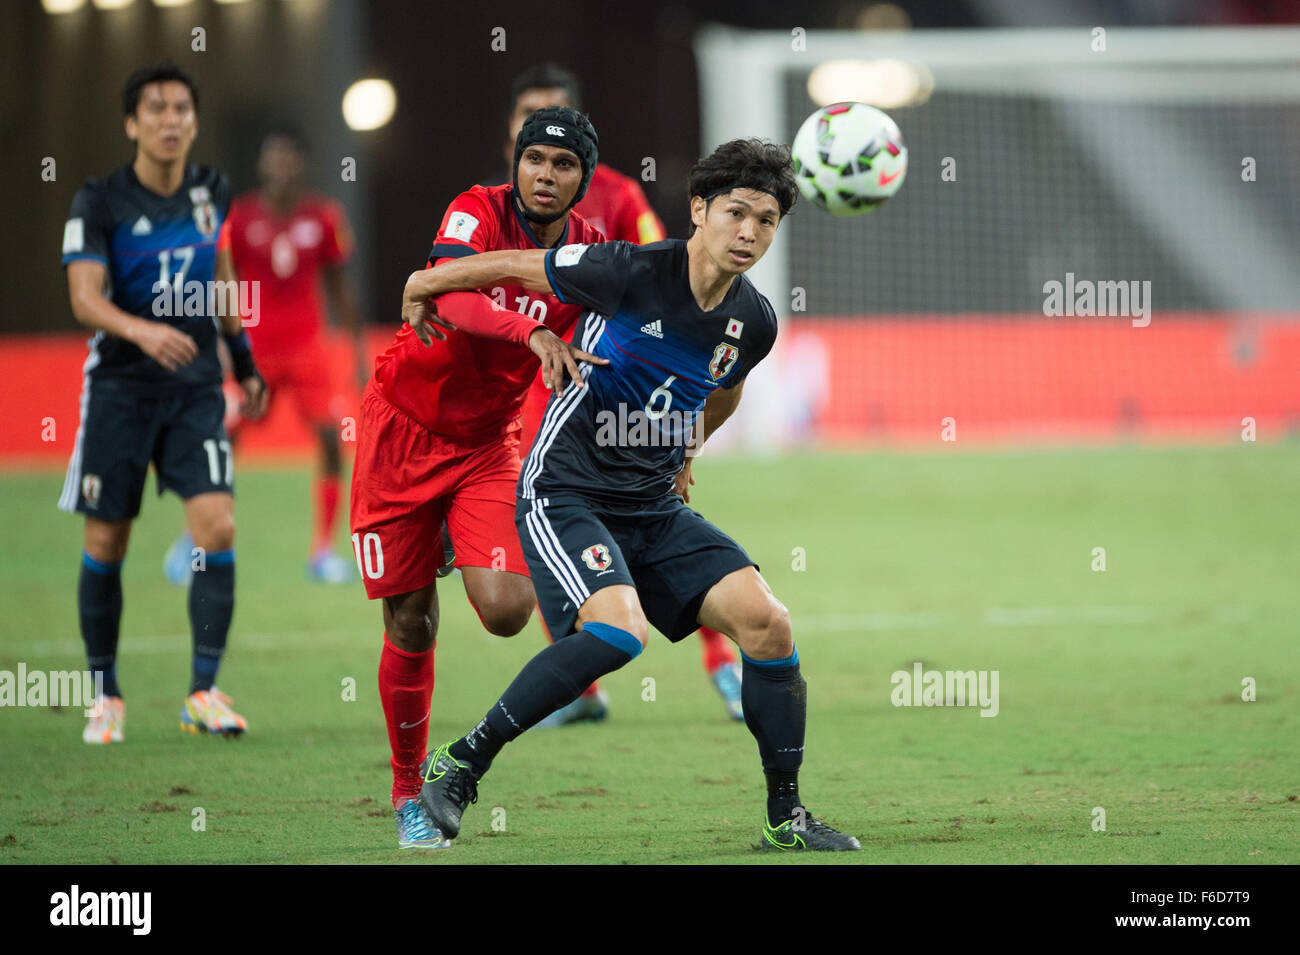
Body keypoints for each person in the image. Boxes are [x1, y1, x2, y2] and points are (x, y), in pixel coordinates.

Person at [403, 139, 860, 851]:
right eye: (736, 213)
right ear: (700, 211)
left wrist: (687, 444)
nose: (749, 233)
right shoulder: (630, 269)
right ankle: (462, 763)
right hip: (566, 489)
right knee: (619, 632)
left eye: (766, 221)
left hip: (652, 504)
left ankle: (785, 817)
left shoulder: (756, 322)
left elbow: (726, 385)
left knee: (769, 625)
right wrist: (428, 282)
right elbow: (518, 266)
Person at [350, 106, 606, 848]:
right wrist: (528, 329)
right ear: (515, 163)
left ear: (582, 179)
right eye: (535, 160)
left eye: (563, 165)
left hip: (488, 443)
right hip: (401, 430)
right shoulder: (476, 209)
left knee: (505, 610)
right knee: (410, 620)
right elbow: (448, 290)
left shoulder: (592, 252)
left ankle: (460, 538)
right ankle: (408, 790)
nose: (545, 175)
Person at [503, 62, 744, 727]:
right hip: (526, 376)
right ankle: (579, 687)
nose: (546, 138)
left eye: (557, 113)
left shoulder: (614, 194)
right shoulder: (498, 203)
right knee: (539, 520)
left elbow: (666, 268)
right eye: (531, 117)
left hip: (606, 380)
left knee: (657, 518)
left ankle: (723, 666)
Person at [60, 63, 267, 744]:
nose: (170, 119)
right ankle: (106, 694)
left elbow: (223, 276)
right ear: (132, 123)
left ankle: (202, 692)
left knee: (218, 529)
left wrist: (245, 363)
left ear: (194, 120)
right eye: (155, 109)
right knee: (106, 541)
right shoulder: (99, 201)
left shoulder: (213, 192)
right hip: (119, 389)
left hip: (195, 391)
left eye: (181, 107)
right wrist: (144, 330)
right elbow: (84, 296)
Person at [164, 125, 363, 586]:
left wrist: (354, 351)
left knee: (332, 440)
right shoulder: (240, 216)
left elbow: (339, 288)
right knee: (224, 443)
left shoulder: (324, 217)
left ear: (302, 164)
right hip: (254, 352)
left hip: (308, 348)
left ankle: (323, 551)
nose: (282, 166)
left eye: (290, 157)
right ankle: (191, 540)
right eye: (274, 157)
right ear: (263, 163)